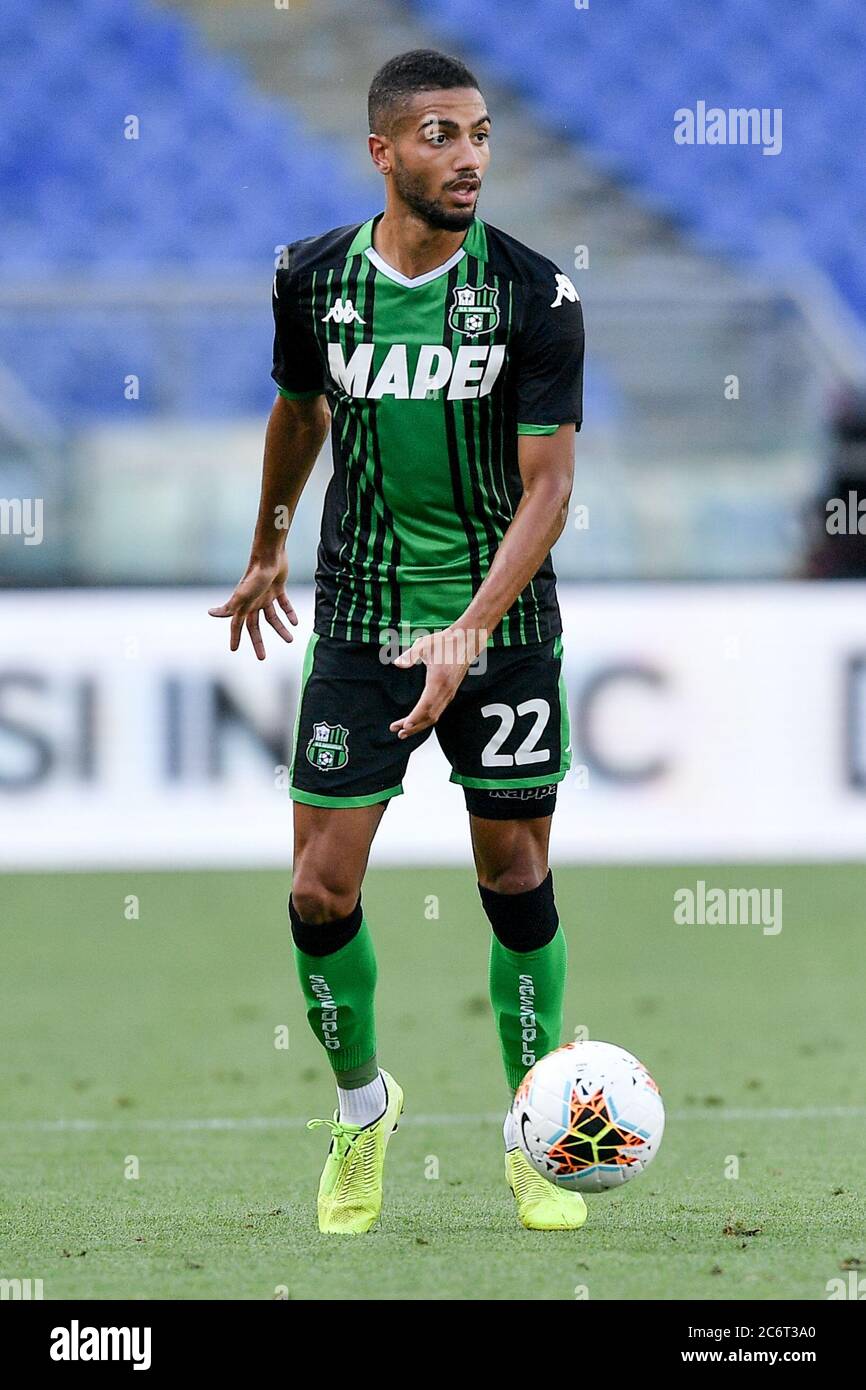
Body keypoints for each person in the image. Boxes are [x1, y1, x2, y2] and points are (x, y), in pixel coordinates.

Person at [210, 48, 586, 1233]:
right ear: (381, 151)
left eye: (479, 134)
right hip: (362, 622)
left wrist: (469, 630)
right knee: (318, 890)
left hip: (501, 628)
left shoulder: (535, 295)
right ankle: (361, 1109)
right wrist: (269, 542)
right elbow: (299, 410)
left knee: (512, 876)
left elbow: (548, 488)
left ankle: (533, 1130)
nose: (468, 156)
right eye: (440, 135)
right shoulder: (309, 278)